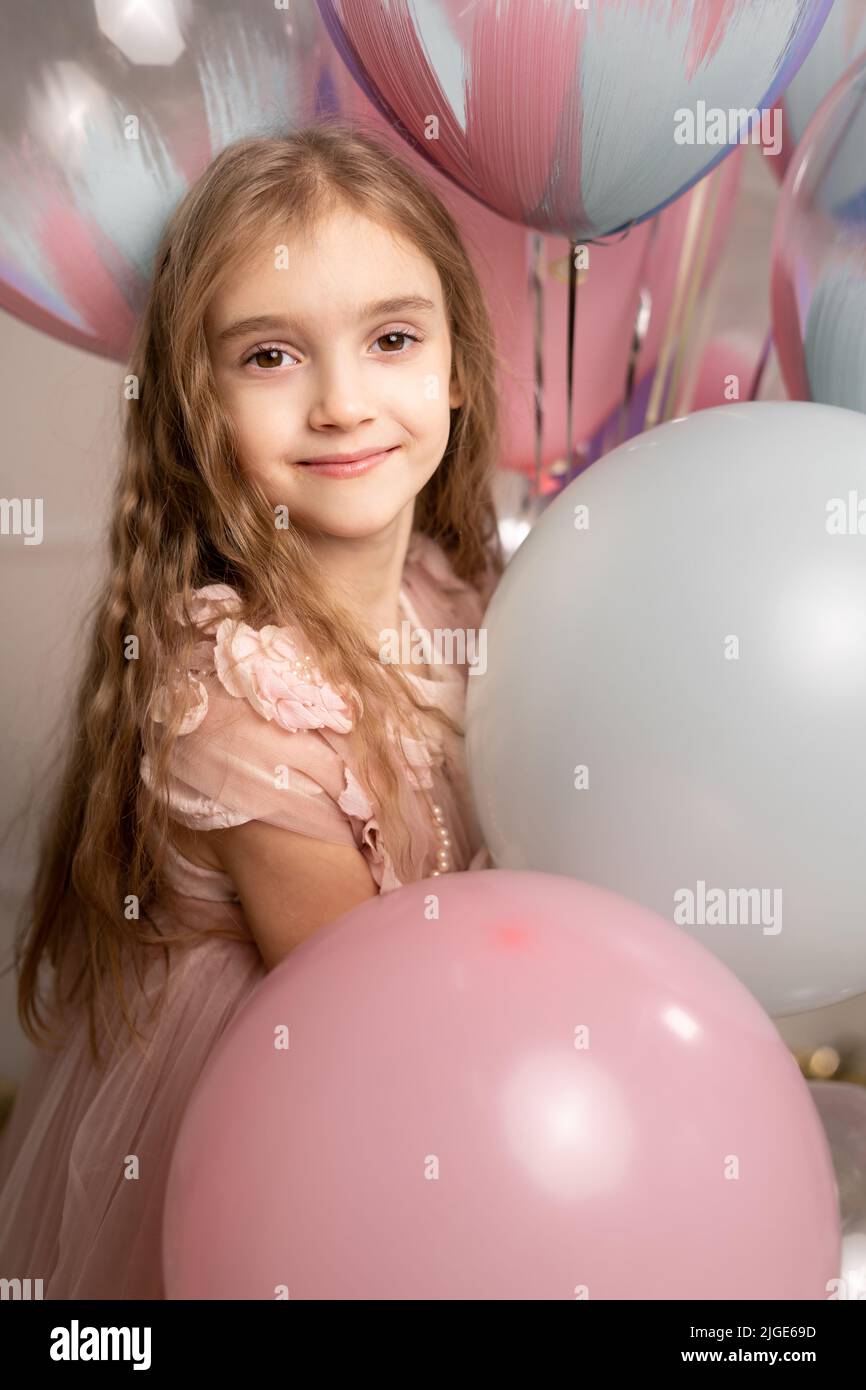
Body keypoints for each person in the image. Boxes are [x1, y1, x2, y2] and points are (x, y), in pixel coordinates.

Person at [0, 122, 504, 1298]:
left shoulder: (450, 590)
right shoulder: (236, 700)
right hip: (319, 1103)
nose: (341, 403)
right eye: (270, 357)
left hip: (458, 1039)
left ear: (455, 368)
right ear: (193, 404)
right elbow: (367, 1021)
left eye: (390, 339)